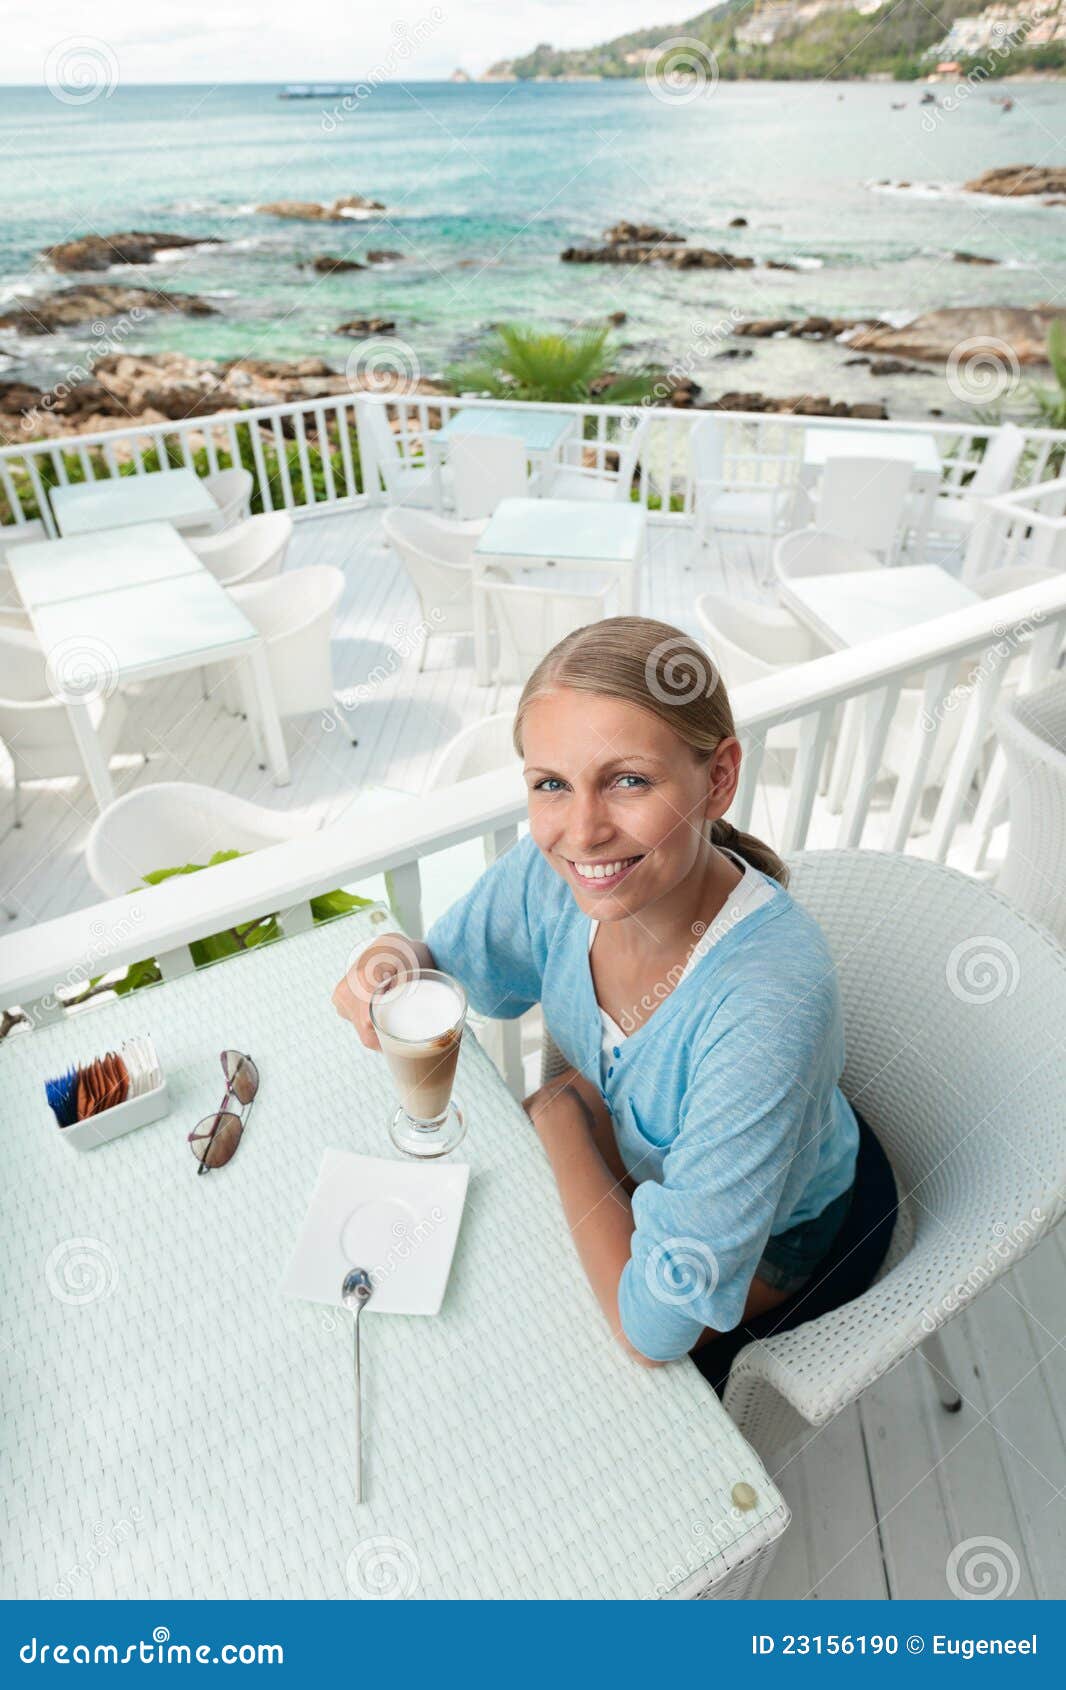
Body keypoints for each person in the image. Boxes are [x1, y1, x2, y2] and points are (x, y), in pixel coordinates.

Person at [333, 617, 897, 1394]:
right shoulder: (548, 875)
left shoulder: (766, 1005)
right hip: (651, 1177)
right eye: (551, 785)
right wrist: (389, 961)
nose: (583, 831)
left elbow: (655, 1327)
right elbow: (448, 964)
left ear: (719, 778)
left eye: (629, 780)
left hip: (780, 1235)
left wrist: (561, 1116)